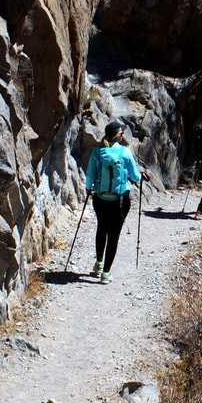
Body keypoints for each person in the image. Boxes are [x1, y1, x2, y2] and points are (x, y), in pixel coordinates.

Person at [84, 120, 148, 284]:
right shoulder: (125, 153)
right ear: (119, 135)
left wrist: (88, 188)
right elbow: (134, 176)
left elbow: (90, 174)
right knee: (114, 235)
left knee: (101, 228)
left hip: (100, 197)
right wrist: (142, 177)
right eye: (122, 132)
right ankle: (106, 273)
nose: (124, 134)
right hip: (120, 200)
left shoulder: (98, 151)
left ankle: (98, 264)